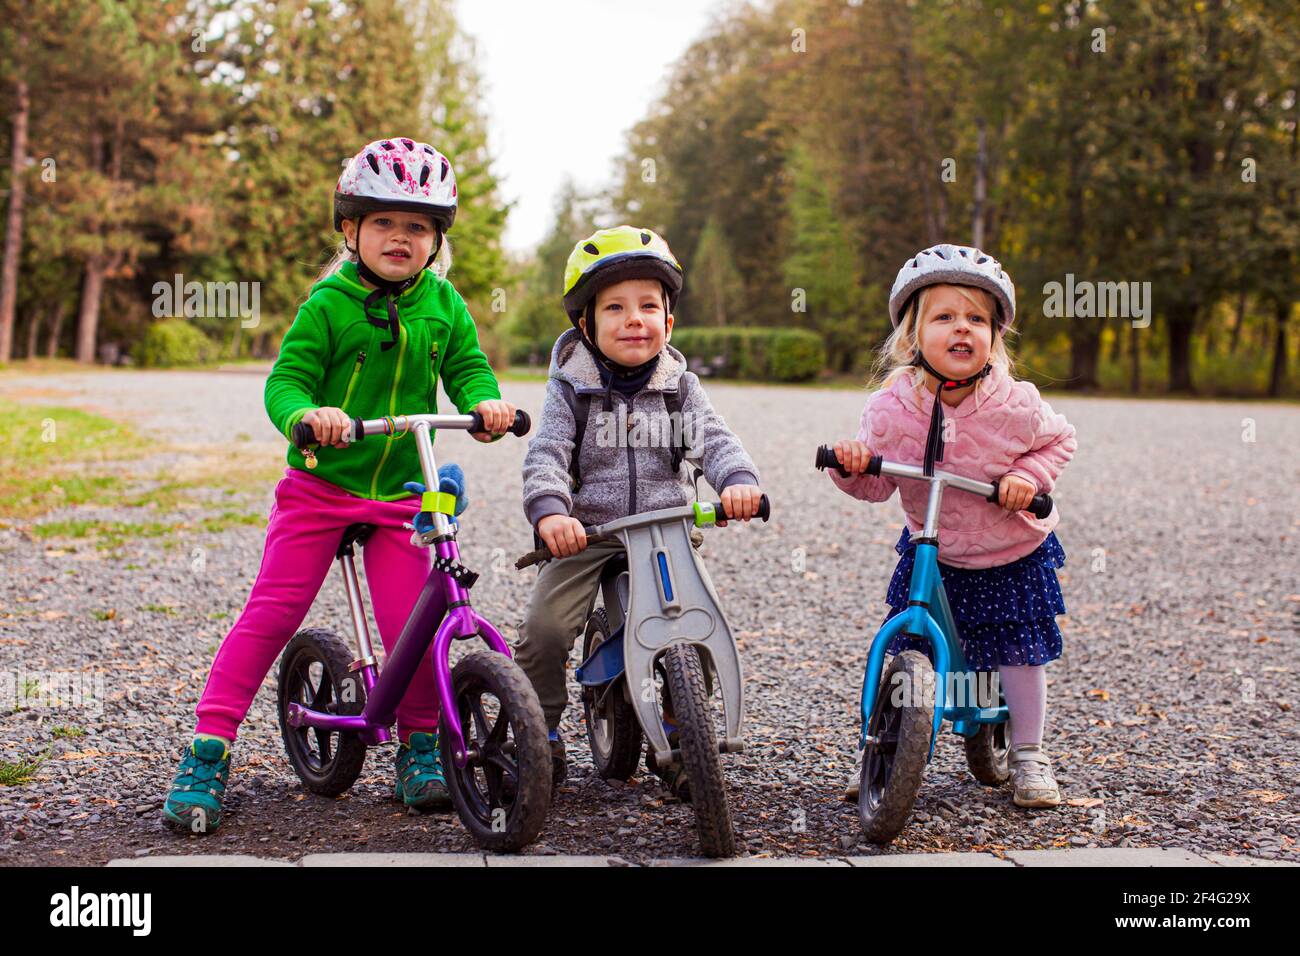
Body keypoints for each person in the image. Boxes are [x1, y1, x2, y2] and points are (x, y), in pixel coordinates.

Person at [162, 137, 516, 832]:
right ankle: (209, 745)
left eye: (417, 227)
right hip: (321, 489)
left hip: (401, 494)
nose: (400, 238)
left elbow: (470, 368)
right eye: (384, 222)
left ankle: (419, 746)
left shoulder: (444, 306)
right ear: (351, 229)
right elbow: (286, 381)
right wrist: (306, 416)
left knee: (413, 621)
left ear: (436, 240)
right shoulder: (327, 305)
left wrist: (486, 404)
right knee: (274, 609)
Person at [516, 225, 764, 793]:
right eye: (616, 308)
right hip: (588, 532)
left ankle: (683, 738)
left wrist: (738, 482)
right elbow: (547, 453)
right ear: (586, 324)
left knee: (693, 626)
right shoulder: (569, 392)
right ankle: (541, 735)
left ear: (668, 322)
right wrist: (552, 511)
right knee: (545, 629)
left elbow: (715, 440)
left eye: (649, 306)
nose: (635, 319)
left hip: (666, 528)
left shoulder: (680, 389)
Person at [829, 243, 1077, 808]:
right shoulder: (892, 408)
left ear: (996, 336)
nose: (961, 329)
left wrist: (1028, 476)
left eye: (976, 319)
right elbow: (876, 484)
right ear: (914, 336)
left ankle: (1030, 754)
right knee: (907, 642)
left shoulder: (1016, 404)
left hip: (1011, 548)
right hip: (932, 551)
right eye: (944, 317)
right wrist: (851, 466)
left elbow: (1061, 440)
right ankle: (878, 746)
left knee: (1018, 649)